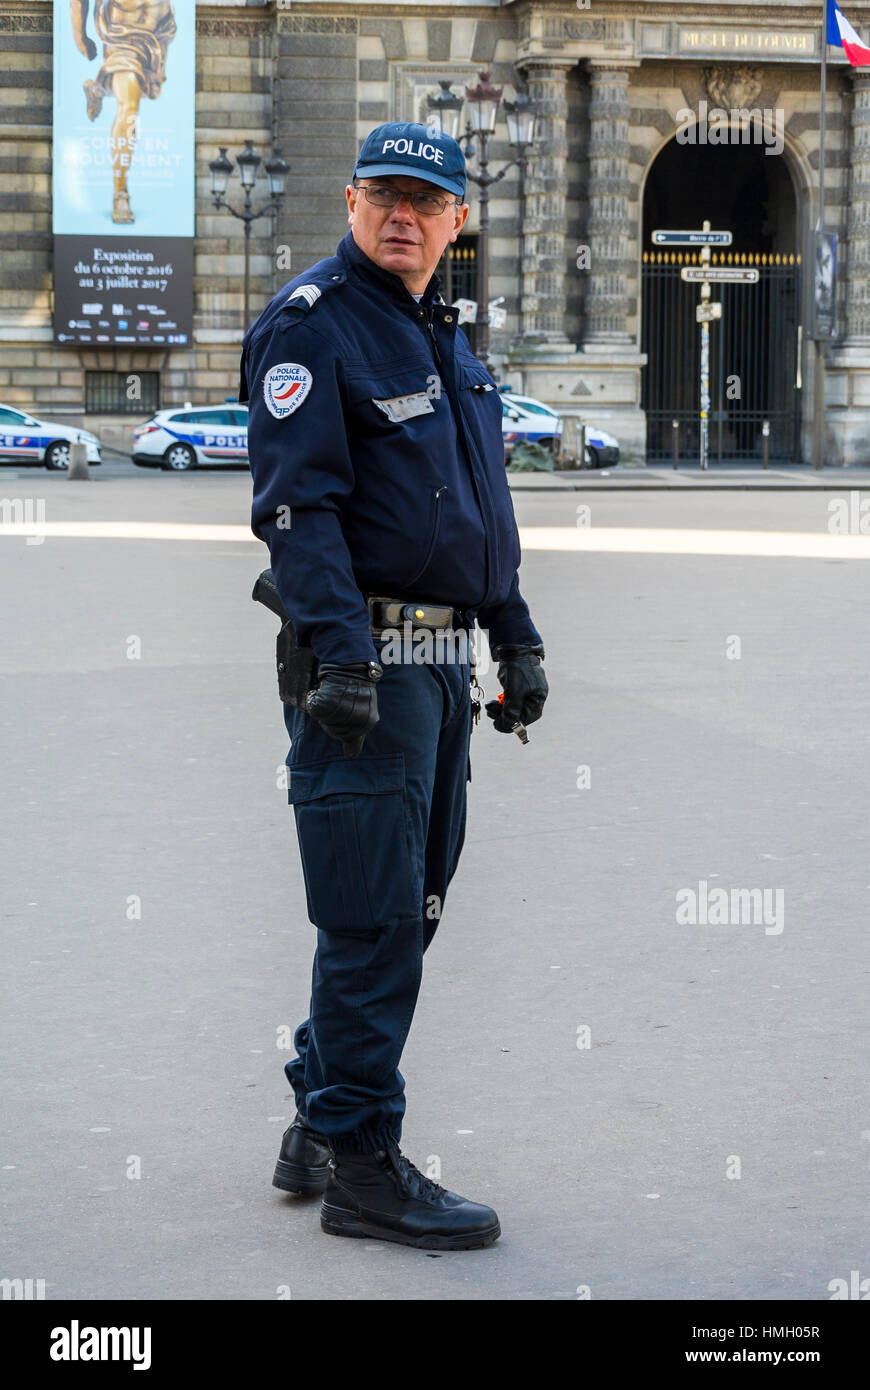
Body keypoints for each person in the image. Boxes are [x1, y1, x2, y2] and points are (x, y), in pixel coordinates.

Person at [240, 122, 548, 1251]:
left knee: (409, 910)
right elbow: (295, 508)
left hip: (439, 670)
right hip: (360, 672)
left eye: (426, 200)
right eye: (383, 195)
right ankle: (364, 1163)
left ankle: (317, 1123)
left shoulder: (444, 344)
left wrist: (514, 638)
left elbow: (484, 515)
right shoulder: (312, 326)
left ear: (458, 219)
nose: (402, 216)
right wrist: (344, 655)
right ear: (354, 201)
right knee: (371, 920)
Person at [69, 0, 177, 224]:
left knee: (138, 95)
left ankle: (97, 90)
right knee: (129, 110)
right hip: (122, 36)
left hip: (157, 33)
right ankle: (120, 193)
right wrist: (80, 37)